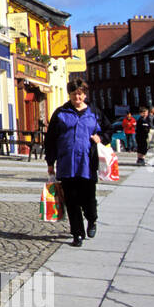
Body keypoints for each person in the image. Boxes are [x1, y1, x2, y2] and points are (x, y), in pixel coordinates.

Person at [44, 79, 107, 246]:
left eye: (80, 93)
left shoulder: (94, 112)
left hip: (88, 163)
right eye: (73, 94)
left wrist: (101, 137)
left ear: (84, 94)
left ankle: (92, 219)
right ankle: (77, 234)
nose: (77, 97)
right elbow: (50, 139)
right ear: (69, 95)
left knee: (89, 199)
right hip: (67, 164)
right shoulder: (60, 113)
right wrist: (50, 162)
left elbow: (108, 130)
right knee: (71, 201)